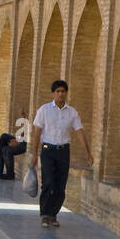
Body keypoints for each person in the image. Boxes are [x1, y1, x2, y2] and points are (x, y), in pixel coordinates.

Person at [29, 80, 93, 228]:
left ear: (66, 93)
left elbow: (79, 132)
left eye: (63, 91)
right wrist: (34, 153)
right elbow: (37, 132)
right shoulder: (44, 110)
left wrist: (87, 153)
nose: (60, 94)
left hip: (63, 151)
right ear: (53, 93)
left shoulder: (72, 112)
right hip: (48, 151)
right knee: (48, 182)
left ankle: (53, 215)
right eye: (57, 91)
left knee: (60, 185)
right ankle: (44, 214)